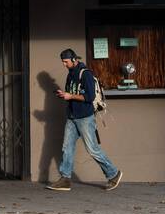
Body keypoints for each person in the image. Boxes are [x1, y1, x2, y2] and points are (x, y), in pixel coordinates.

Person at [48, 48, 123, 191]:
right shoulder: (70, 75)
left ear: (74, 60)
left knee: (93, 149)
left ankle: (113, 174)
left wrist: (70, 96)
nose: (64, 64)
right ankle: (65, 179)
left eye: (66, 62)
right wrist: (64, 94)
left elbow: (89, 97)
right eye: (63, 62)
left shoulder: (85, 74)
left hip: (85, 118)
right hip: (71, 117)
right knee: (67, 148)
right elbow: (71, 93)